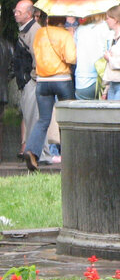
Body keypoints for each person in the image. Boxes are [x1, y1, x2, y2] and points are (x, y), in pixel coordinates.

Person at [25, 11, 76, 171]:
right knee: (67, 119)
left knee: (43, 120)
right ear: (64, 21)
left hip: (42, 81)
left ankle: (31, 151)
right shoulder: (65, 34)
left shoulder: (40, 33)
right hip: (62, 80)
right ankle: (70, 156)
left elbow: (35, 52)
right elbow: (71, 58)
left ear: (48, 19)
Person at [12, 0, 41, 159]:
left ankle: (36, 155)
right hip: (27, 81)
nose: (16, 14)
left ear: (29, 14)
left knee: (33, 118)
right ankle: (36, 154)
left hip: (31, 81)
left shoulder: (34, 30)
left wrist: (32, 78)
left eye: (19, 12)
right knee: (30, 117)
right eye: (15, 11)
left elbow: (37, 56)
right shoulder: (26, 29)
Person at [73, 13, 110, 99]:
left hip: (82, 79)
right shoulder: (107, 28)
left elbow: (73, 53)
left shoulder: (80, 29)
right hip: (102, 77)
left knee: (83, 111)